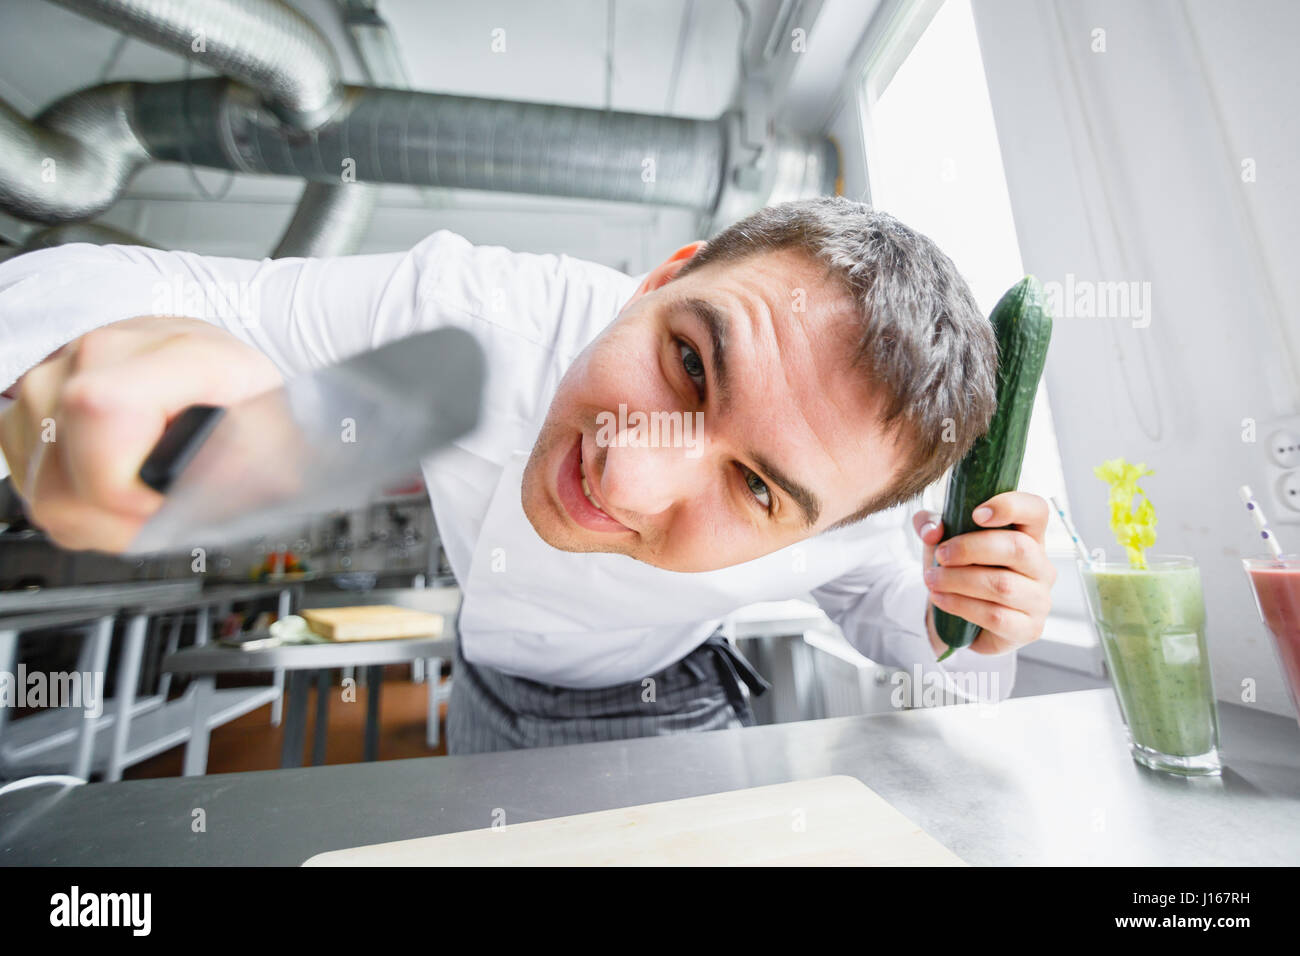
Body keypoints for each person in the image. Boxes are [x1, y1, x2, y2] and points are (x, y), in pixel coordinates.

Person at [0, 197, 1056, 753]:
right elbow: (161, 282)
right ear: (664, 276)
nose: (628, 481)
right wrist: (129, 343)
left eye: (755, 488)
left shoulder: (860, 517)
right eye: (687, 360)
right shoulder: (482, 314)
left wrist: (977, 617)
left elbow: (927, 660)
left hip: (663, 704)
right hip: (485, 674)